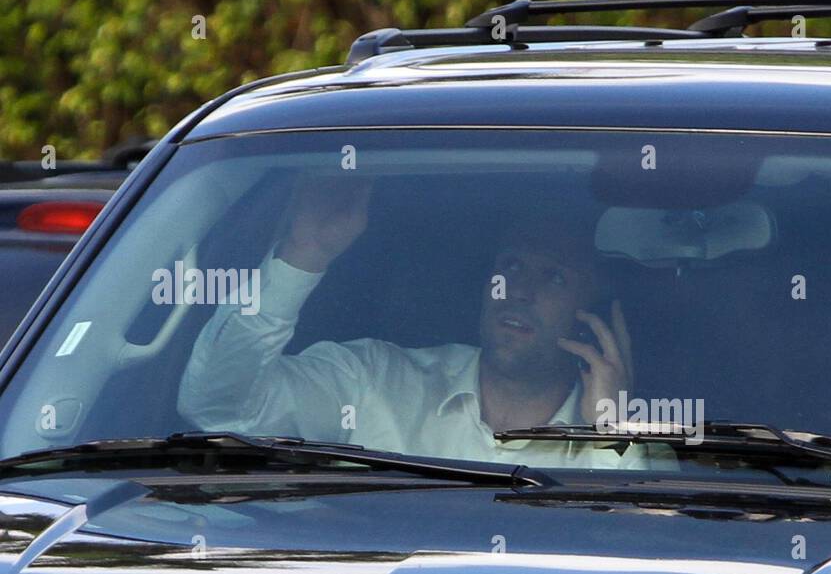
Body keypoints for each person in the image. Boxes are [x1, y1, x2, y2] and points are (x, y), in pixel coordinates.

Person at [179, 175, 648, 468]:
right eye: (512, 266)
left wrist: (612, 429)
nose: (521, 291)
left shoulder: (611, 442)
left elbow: (638, 554)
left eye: (556, 278)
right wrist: (304, 255)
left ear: (594, 316)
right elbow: (220, 410)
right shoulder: (374, 380)